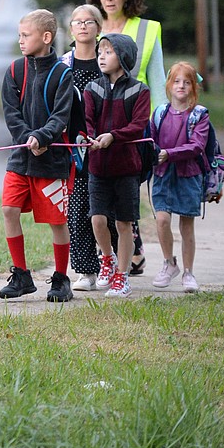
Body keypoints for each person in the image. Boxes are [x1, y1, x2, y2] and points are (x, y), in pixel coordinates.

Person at [87, 0, 165, 275]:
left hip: (136, 119)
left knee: (126, 192)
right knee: (100, 198)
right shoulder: (91, 25)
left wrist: (161, 128)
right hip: (98, 117)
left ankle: (130, 246)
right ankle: (123, 252)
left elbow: (158, 83)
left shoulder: (147, 29)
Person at [0, 9, 75, 303]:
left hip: (52, 160)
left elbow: (61, 116)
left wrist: (42, 137)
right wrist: (26, 138)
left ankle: (60, 278)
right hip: (21, 157)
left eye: (26, 35)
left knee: (57, 220)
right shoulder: (15, 70)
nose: (20, 40)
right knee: (9, 210)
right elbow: (11, 112)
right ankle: (21, 275)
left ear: (46, 37)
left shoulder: (62, 74)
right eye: (19, 35)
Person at [83, 33, 151, 298]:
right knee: (97, 218)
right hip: (98, 168)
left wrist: (113, 136)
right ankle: (107, 259)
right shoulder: (92, 89)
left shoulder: (139, 90)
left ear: (123, 58)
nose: (101, 56)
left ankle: (122, 277)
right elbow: (87, 119)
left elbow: (138, 125)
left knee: (124, 224)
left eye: (108, 52)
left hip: (127, 169)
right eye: (100, 51)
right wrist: (86, 138)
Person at [150, 62, 210, 293]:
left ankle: (188, 272)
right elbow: (151, 141)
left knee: (187, 226)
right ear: (169, 85)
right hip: (163, 174)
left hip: (189, 176)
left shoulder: (199, 115)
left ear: (194, 87)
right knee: (162, 220)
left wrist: (168, 154)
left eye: (186, 82)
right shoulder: (159, 113)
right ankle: (169, 263)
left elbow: (197, 146)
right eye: (176, 81)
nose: (181, 86)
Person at [60, 4, 105, 291]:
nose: (83, 26)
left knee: (105, 209)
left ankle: (110, 263)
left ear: (99, 27)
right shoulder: (64, 64)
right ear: (71, 29)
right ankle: (85, 270)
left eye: (89, 21)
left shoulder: (108, 58)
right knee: (76, 209)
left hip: (105, 144)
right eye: (77, 22)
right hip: (74, 150)